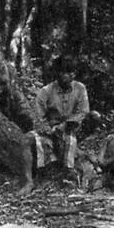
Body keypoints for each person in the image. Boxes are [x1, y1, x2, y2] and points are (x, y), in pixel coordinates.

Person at [20, 62, 89, 191]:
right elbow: (37, 117)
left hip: (72, 127)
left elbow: (83, 112)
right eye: (65, 72)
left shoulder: (80, 88)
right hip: (51, 128)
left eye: (72, 72)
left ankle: (69, 175)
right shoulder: (46, 91)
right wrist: (48, 129)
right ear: (58, 73)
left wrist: (66, 124)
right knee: (27, 139)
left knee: (91, 120)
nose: (69, 75)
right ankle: (29, 181)